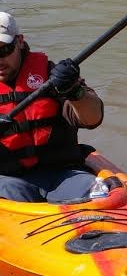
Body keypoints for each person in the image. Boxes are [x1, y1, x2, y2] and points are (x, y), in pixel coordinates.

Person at [0, 12, 104, 202]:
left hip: (62, 175)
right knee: (11, 192)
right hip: (8, 179)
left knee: (99, 194)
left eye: (4, 50)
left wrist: (74, 91)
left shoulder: (54, 77)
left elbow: (93, 118)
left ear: (20, 42)